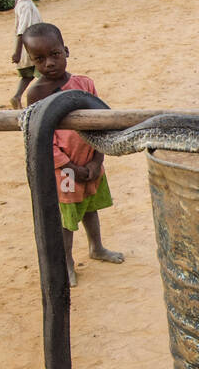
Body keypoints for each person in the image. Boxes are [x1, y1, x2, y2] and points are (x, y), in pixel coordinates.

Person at [22, 22, 124, 287]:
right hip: (64, 171)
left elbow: (101, 122)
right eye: (39, 59)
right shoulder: (35, 94)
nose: (49, 64)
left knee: (91, 208)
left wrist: (97, 159)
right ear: (32, 61)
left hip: (91, 161)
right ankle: (67, 262)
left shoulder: (84, 84)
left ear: (66, 51)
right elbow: (41, 139)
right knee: (68, 219)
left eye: (55, 54)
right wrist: (69, 167)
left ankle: (97, 247)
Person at [8, 0, 42, 109]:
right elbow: (22, 30)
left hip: (28, 47)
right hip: (31, 45)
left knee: (28, 75)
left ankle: (17, 96)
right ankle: (39, 99)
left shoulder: (21, 2)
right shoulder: (26, 6)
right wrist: (17, 52)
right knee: (44, 73)